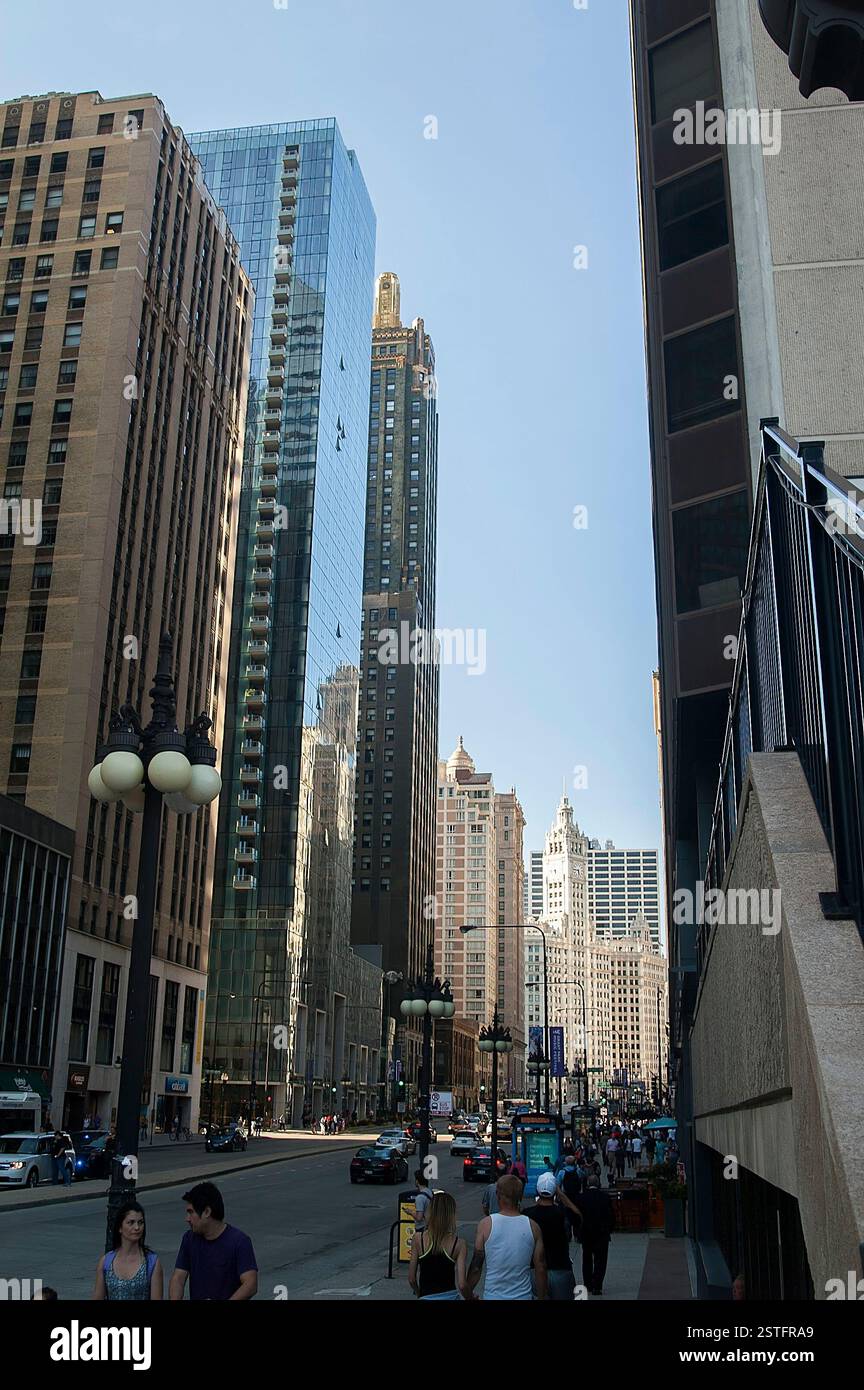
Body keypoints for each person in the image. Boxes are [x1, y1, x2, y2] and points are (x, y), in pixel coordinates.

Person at [169, 1182, 258, 1301]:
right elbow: (178, 1278)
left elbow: (250, 1284)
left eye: (191, 1212)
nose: (187, 1219)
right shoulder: (189, 1239)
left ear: (207, 1212)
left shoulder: (239, 1241)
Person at [465, 1174, 548, 1301]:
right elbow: (540, 1266)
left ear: (498, 1195)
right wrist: (542, 1297)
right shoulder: (533, 1227)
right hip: (523, 1296)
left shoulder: (486, 1225)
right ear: (520, 1197)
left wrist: (468, 1293)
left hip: (493, 1296)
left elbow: (476, 1266)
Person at [93, 1201, 163, 1301]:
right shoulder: (106, 1262)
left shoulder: (152, 1262)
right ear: (120, 1228)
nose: (137, 1228)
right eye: (131, 1222)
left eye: (141, 1222)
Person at [523, 1173, 576, 1300]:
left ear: (537, 1190)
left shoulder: (527, 1214)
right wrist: (561, 1195)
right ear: (555, 1192)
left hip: (533, 1269)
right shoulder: (562, 1213)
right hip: (560, 1267)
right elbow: (578, 1215)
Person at [408, 1192, 468, 1301]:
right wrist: (471, 1296)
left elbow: (412, 1278)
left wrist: (419, 1294)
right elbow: (462, 1284)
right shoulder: (459, 1244)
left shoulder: (418, 1239)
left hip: (426, 1295)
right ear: (451, 1215)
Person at [575, 1174, 615, 1295]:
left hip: (586, 1233)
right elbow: (610, 1215)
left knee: (586, 1259)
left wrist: (577, 1232)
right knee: (601, 1260)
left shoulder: (581, 1198)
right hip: (601, 1233)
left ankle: (588, 1285)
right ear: (598, 1184)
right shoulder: (605, 1197)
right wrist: (610, 1229)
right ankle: (597, 1285)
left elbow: (577, 1216)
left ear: (587, 1183)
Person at [413, 1169, 432, 1236]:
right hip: (430, 1226)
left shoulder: (419, 1198)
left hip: (422, 1228)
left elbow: (419, 1218)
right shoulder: (429, 1192)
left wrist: (410, 1212)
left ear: (417, 1181)